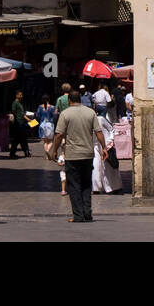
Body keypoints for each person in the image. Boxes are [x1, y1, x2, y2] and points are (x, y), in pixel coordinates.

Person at [47, 94, 106, 223]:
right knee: (86, 185)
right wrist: (104, 148)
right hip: (87, 154)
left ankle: (78, 216)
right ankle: (87, 214)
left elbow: (58, 135)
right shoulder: (90, 112)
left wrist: (54, 151)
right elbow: (99, 132)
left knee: (73, 186)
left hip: (72, 155)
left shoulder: (65, 114)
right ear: (80, 99)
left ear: (69, 101)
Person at [92, 108, 123, 194]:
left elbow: (112, 129)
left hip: (106, 145)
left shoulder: (101, 119)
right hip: (94, 146)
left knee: (108, 167)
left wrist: (110, 141)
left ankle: (113, 187)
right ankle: (96, 188)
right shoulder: (86, 122)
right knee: (96, 166)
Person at [8, 90, 31, 158]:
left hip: (21, 123)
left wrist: (28, 119)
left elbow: (22, 114)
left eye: (22, 95)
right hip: (18, 124)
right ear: (16, 95)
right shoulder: (15, 103)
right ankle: (13, 154)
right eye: (20, 95)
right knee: (18, 139)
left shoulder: (20, 103)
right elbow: (14, 112)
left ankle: (26, 152)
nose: (21, 96)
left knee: (22, 138)